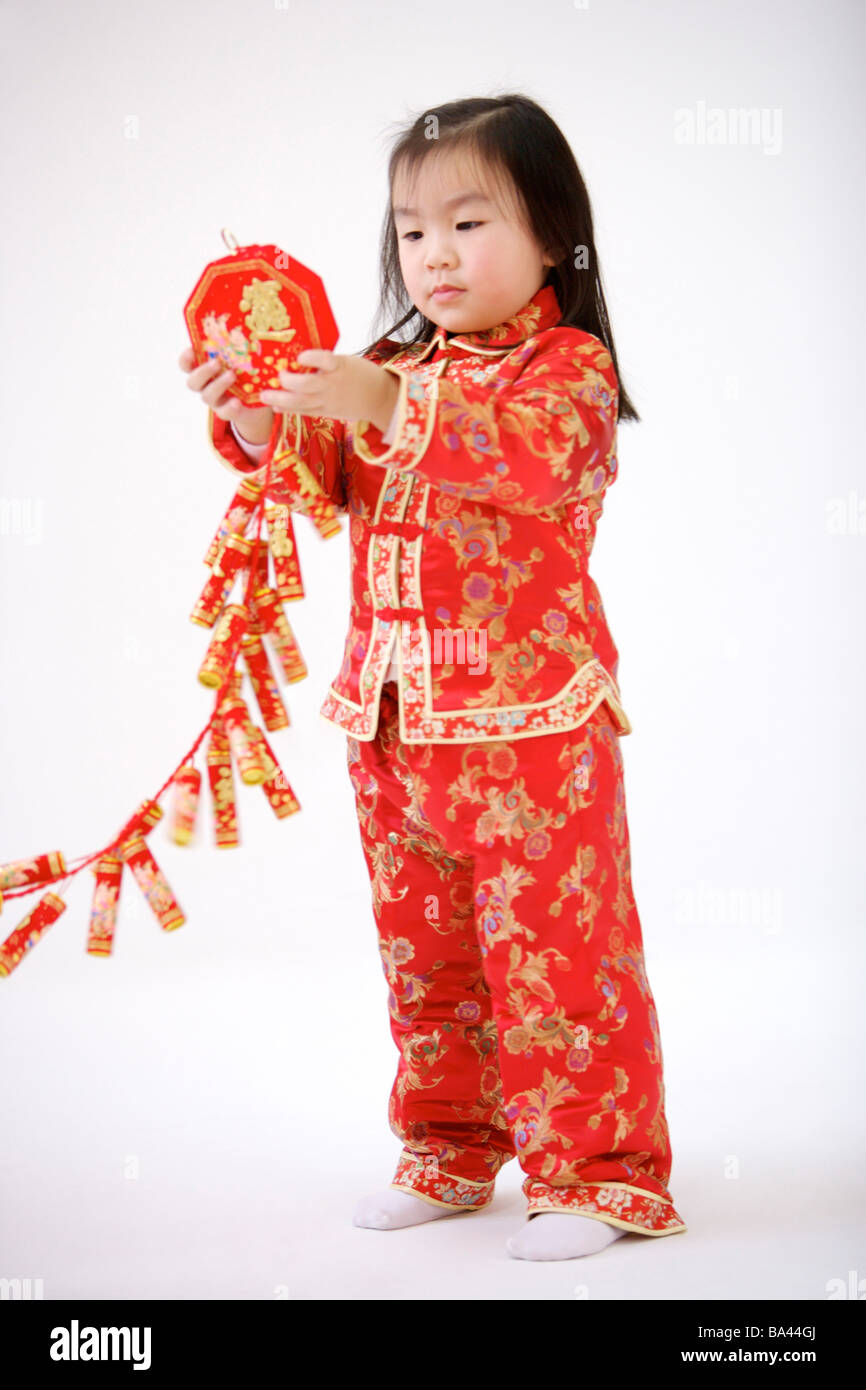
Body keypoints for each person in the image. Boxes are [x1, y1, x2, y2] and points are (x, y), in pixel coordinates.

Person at [179, 93, 687, 1262]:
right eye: (413, 230)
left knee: (557, 953)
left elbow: (512, 459)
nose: (435, 255)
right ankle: (451, 1149)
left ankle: (596, 1171)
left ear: (554, 234)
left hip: (531, 730)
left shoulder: (567, 373)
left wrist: (378, 397)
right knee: (427, 956)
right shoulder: (394, 364)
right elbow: (318, 476)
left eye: (469, 222)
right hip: (394, 722)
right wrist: (260, 412)